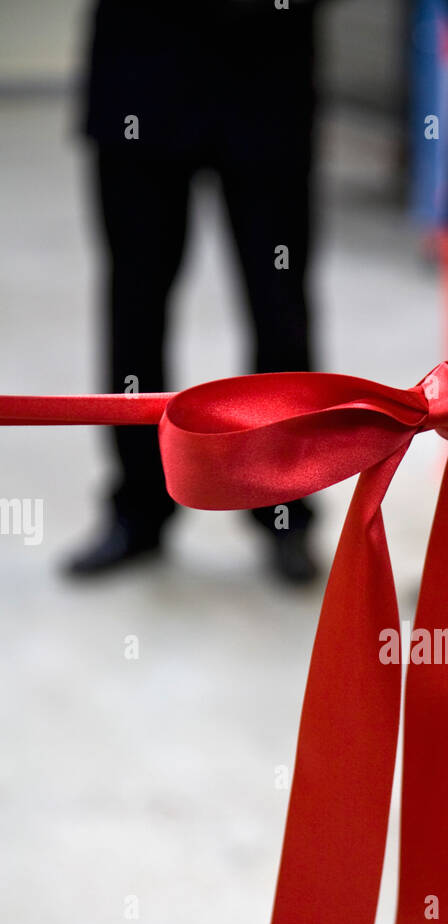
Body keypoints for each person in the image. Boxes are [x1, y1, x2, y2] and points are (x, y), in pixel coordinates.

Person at [66, 0, 320, 584]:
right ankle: (137, 506)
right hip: (142, 70)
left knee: (279, 308)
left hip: (267, 73)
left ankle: (285, 509)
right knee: (135, 305)